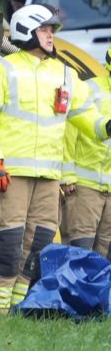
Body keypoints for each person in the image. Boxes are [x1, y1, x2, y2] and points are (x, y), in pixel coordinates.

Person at [0, 4, 111, 312]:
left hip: (48, 179)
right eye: (45, 30)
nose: (50, 36)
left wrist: (106, 126)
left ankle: (19, 309)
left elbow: (87, 117)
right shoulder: (2, 69)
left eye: (51, 31)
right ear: (26, 31)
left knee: (39, 246)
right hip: (11, 173)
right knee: (8, 242)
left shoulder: (65, 74)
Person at [61, 47, 111, 257]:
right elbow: (68, 132)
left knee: (104, 257)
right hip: (84, 186)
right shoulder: (90, 90)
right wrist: (67, 173)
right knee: (79, 250)